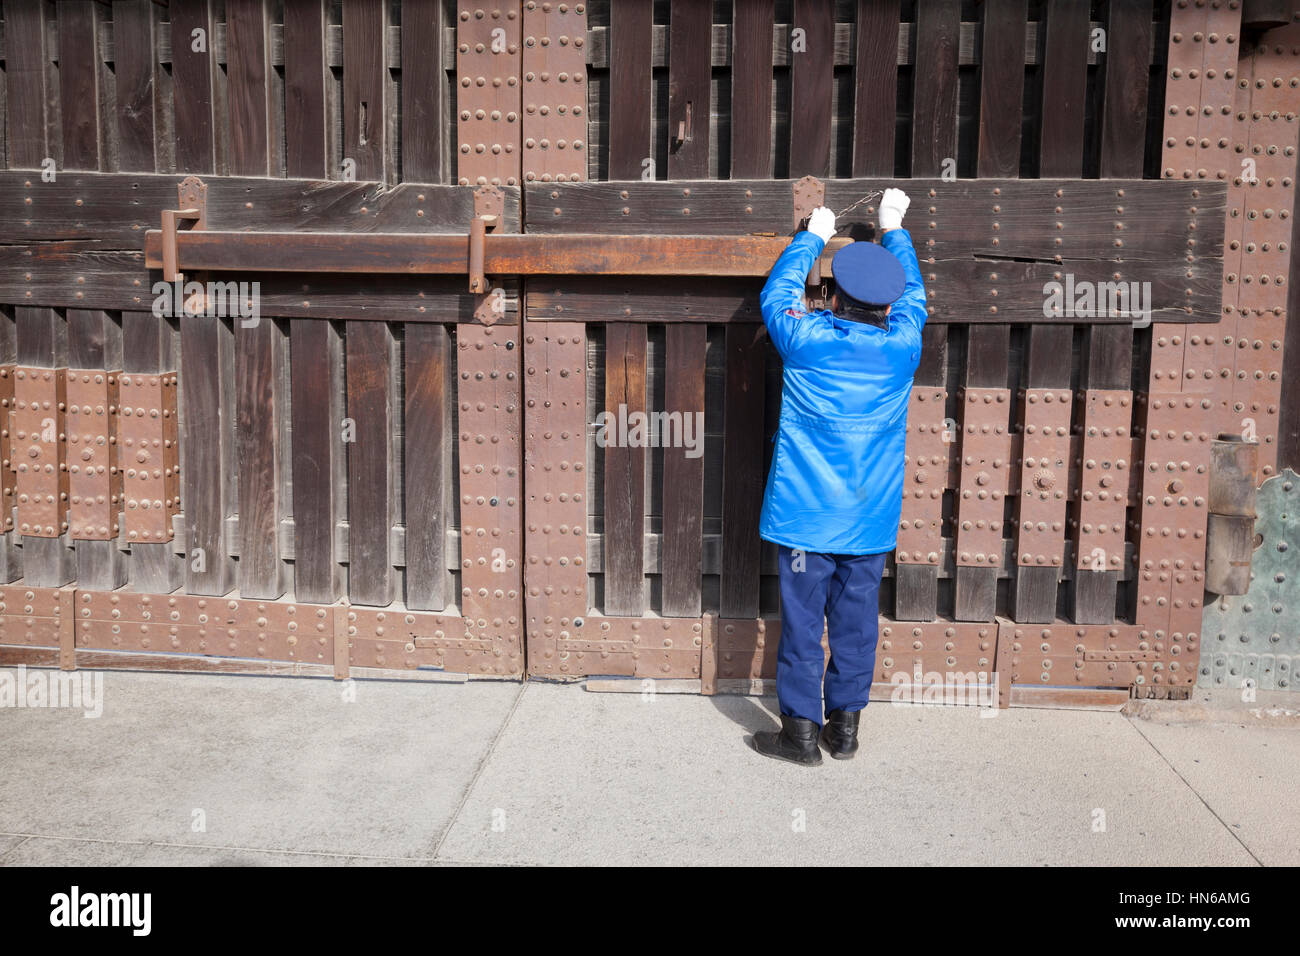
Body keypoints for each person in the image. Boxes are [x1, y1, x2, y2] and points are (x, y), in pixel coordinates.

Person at [750, 188, 926, 766]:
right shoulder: (902, 347)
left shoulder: (805, 340)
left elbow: (776, 295)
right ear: (887, 303)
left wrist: (811, 237)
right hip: (869, 517)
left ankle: (799, 733)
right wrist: (893, 229)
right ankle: (845, 729)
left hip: (805, 516)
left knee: (803, 621)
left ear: (837, 294)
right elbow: (916, 301)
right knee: (855, 623)